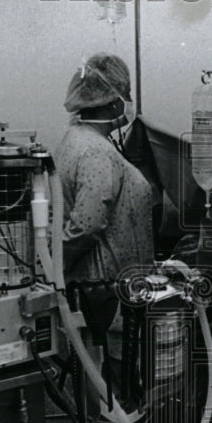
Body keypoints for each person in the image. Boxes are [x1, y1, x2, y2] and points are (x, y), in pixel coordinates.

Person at [55, 52, 155, 352]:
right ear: (112, 102)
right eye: (125, 95)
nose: (127, 102)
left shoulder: (78, 138)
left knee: (106, 385)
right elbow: (87, 224)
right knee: (113, 386)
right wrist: (56, 270)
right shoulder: (95, 151)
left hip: (108, 289)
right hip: (106, 292)